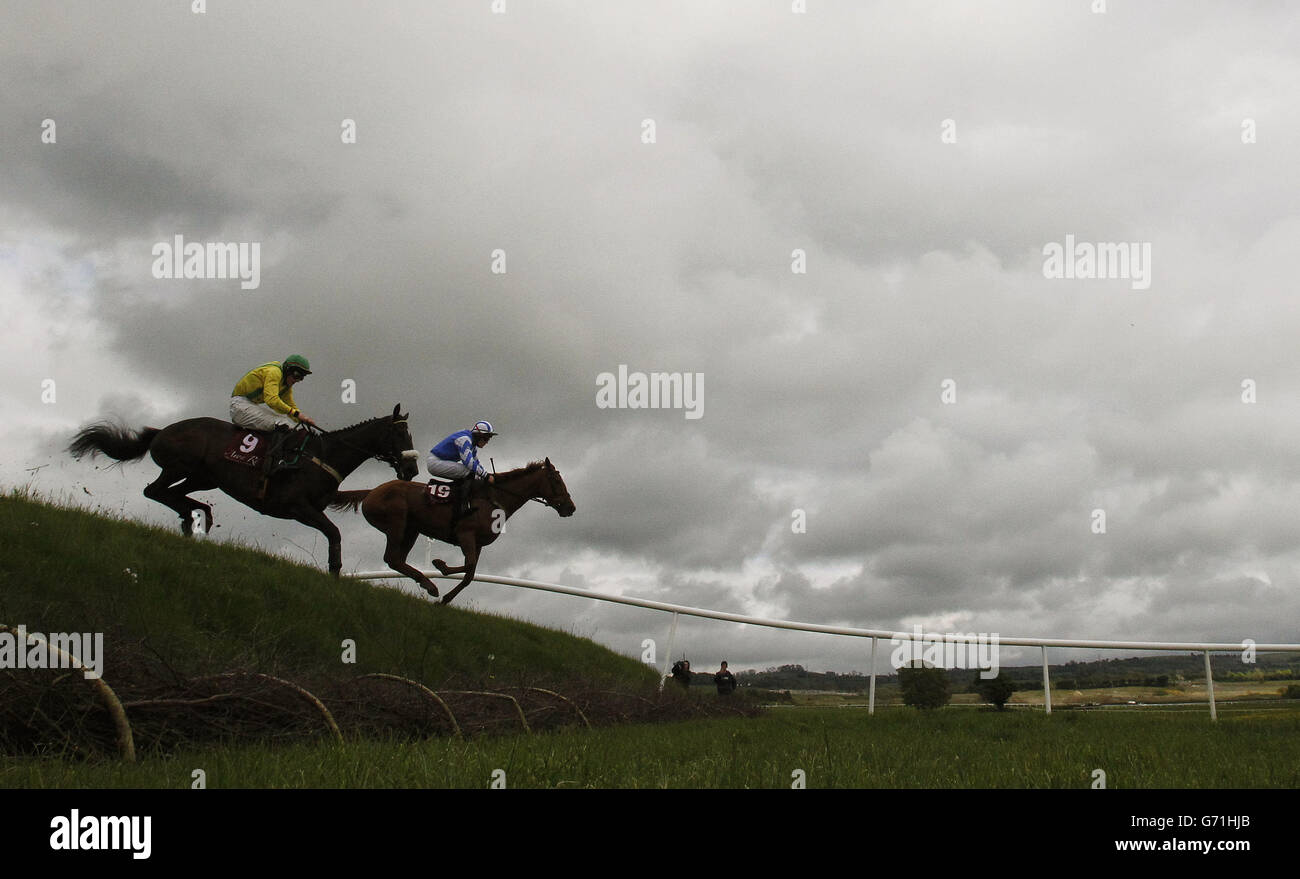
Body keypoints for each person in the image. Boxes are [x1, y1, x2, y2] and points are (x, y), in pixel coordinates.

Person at [230, 355, 318, 432]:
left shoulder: (285, 386)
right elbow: (272, 400)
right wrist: (297, 414)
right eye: (297, 375)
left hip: (251, 406)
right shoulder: (274, 372)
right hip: (239, 406)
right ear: (288, 369)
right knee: (283, 423)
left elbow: (291, 406)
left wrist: (303, 420)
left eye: (302, 377)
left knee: (291, 425)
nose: (298, 380)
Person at [427, 421, 497, 514]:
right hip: (435, 462)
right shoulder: (464, 439)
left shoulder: (472, 445)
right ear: (478, 435)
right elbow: (469, 463)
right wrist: (486, 476)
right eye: (486, 437)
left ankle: (456, 501)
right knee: (468, 472)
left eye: (489, 438)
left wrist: (486, 475)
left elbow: (476, 462)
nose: (487, 441)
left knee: (475, 475)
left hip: (440, 461)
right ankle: (462, 508)